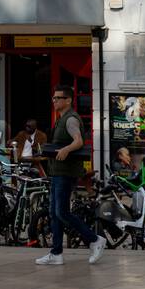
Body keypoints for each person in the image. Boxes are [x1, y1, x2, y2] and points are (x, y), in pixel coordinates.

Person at [35, 85, 106, 267]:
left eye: (58, 98)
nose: (54, 100)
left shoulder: (70, 119)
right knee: (54, 213)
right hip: (58, 171)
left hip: (65, 173)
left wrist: (66, 149)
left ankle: (95, 240)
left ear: (68, 100)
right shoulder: (61, 119)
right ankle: (56, 253)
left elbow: (79, 141)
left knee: (61, 212)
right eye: (53, 98)